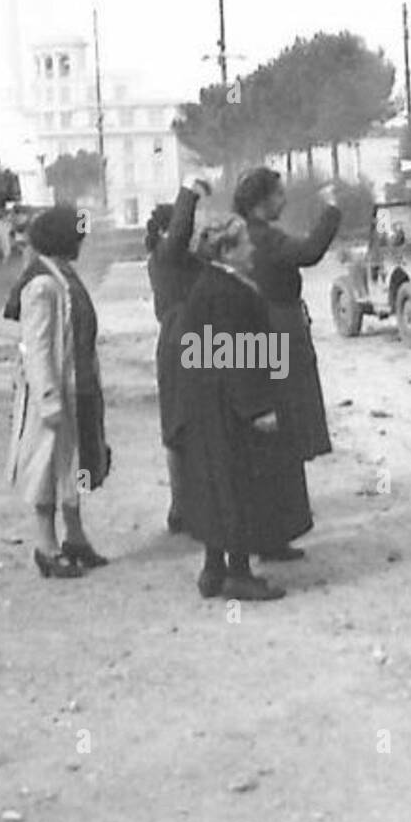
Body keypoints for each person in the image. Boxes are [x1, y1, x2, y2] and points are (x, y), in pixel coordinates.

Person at [169, 213, 312, 601]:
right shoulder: (227, 291)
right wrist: (258, 408)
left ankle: (213, 570)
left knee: (218, 488)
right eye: (245, 243)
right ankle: (239, 574)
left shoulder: (211, 284)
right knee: (239, 488)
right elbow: (238, 358)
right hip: (231, 407)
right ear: (227, 251)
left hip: (210, 404)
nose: (252, 249)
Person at [232, 166, 341, 560]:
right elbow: (311, 252)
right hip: (280, 332)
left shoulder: (250, 234)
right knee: (282, 432)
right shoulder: (265, 237)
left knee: (278, 436)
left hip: (271, 330)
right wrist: (330, 210)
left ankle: (275, 535)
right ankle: (273, 534)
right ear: (262, 201)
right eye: (278, 195)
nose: (283, 201)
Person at [3, 206, 110, 579]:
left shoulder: (62, 275)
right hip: (53, 393)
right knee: (47, 469)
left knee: (75, 466)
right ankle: (46, 546)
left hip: (77, 386)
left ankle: (76, 537)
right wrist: (48, 399)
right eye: (78, 234)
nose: (83, 241)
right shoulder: (42, 285)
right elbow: (37, 347)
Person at [145, 177, 210, 532]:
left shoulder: (170, 259)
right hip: (184, 341)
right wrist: (189, 191)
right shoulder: (170, 256)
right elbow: (183, 230)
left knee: (178, 425)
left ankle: (183, 505)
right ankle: (185, 507)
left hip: (176, 342)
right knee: (186, 425)